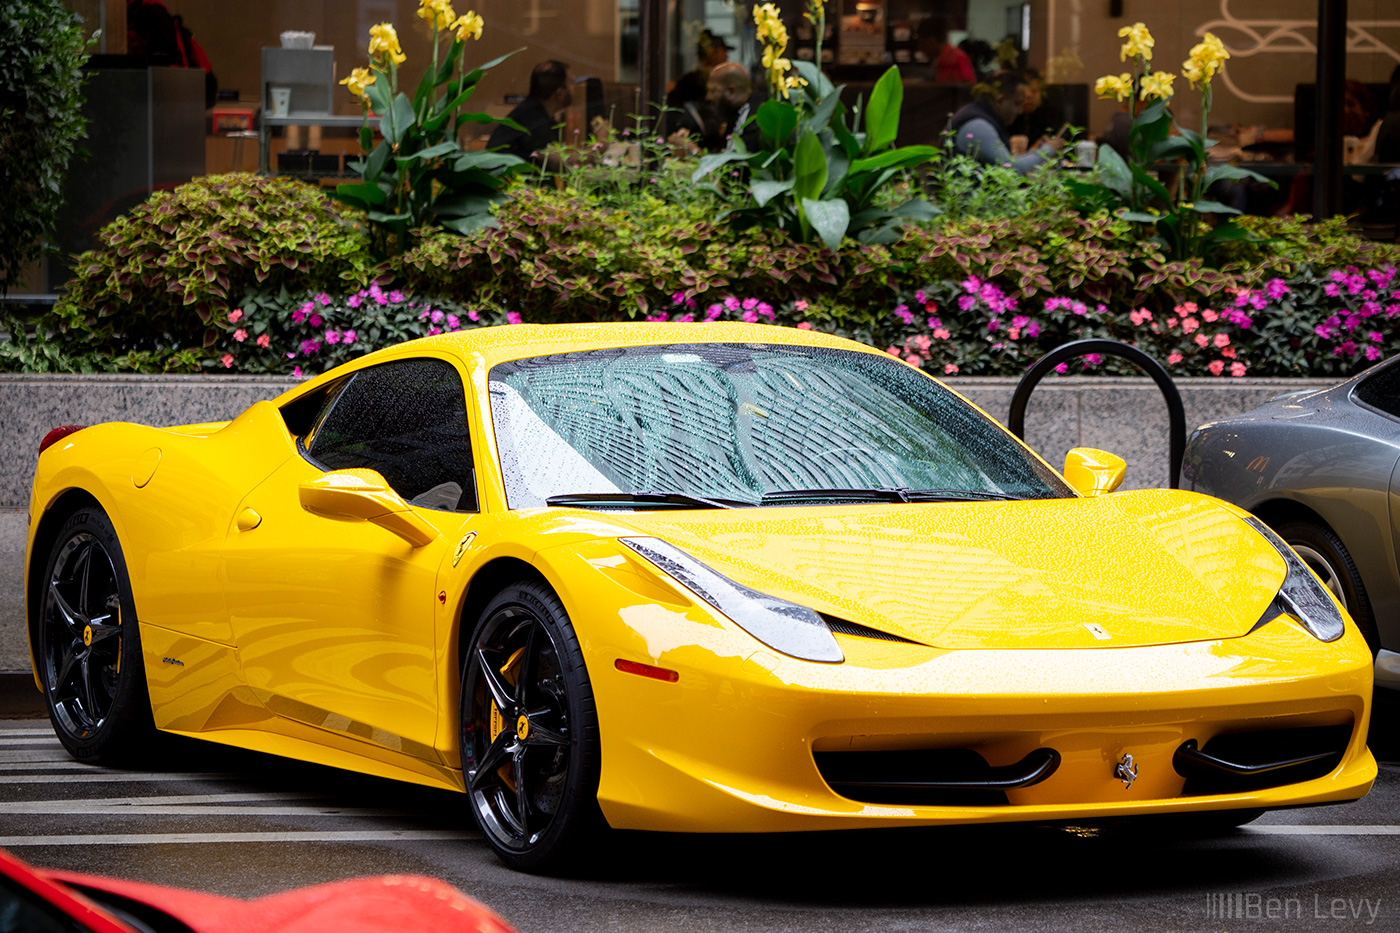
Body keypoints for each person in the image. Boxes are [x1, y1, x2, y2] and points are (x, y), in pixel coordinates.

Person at [949, 70, 1063, 174]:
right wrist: (1049, 149)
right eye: (1017, 103)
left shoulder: (981, 116)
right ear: (999, 100)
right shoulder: (977, 126)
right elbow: (1013, 168)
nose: (1020, 111)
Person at [487, 60, 571, 165]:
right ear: (560, 93)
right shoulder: (535, 121)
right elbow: (555, 162)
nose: (573, 89)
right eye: (571, 83)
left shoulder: (530, 113)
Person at [666, 28, 731, 142]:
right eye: (724, 51)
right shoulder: (700, 78)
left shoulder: (703, 76)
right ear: (713, 52)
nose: (726, 56)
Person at [705, 62, 763, 152]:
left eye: (713, 91)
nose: (708, 97)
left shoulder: (754, 117)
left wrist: (694, 151)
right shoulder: (734, 114)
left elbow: (738, 158)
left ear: (731, 91)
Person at [916, 18, 973, 83]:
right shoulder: (941, 59)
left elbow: (967, 84)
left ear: (931, 41)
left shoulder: (957, 57)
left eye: (922, 43)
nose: (920, 48)